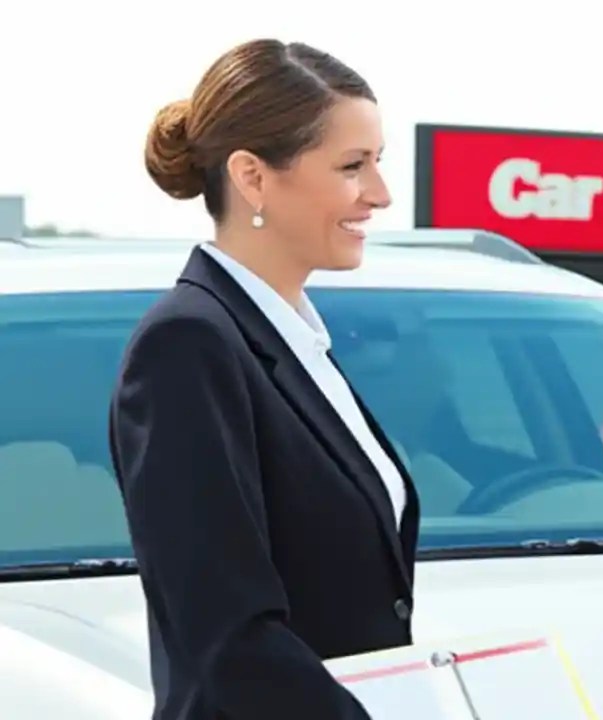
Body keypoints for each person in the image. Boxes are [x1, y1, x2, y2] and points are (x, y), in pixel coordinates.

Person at [108, 38, 418, 720]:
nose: (381, 193)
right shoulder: (187, 345)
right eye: (352, 166)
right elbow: (228, 639)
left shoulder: (293, 342)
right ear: (252, 177)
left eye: (378, 162)